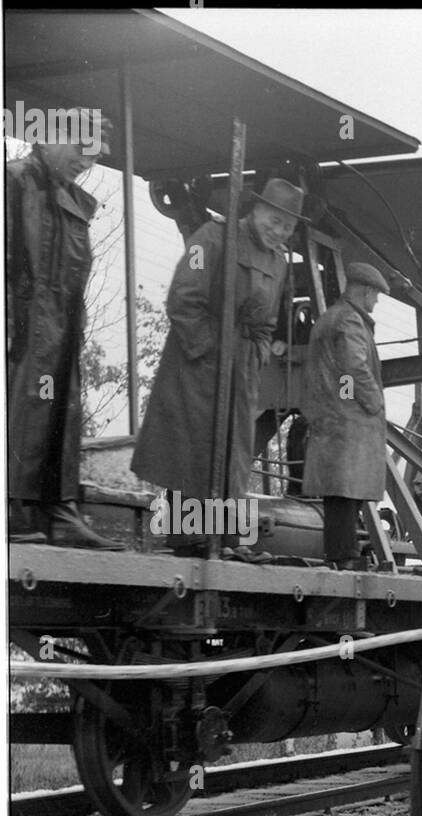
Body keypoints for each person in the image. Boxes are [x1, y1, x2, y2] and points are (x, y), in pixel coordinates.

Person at [131, 178, 303, 552]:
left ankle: (226, 539)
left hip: (241, 369)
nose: (278, 232)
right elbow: (182, 297)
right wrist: (208, 351)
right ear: (255, 210)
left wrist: (254, 355)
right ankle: (188, 540)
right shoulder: (212, 238)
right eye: (273, 221)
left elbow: (267, 323)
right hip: (196, 365)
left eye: (287, 227)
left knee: (235, 454)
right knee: (190, 450)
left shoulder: (279, 263)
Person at [7, 112, 123, 548]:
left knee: (59, 417)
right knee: (20, 415)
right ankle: (14, 514)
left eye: (92, 157)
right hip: (23, 325)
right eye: (80, 150)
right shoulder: (14, 181)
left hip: (60, 329)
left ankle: (59, 514)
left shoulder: (72, 200)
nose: (84, 162)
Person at [302, 263, 391, 568]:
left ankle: (344, 551)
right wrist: (373, 401)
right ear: (365, 291)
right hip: (347, 417)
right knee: (344, 487)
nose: (376, 302)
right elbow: (353, 367)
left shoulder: (331, 318)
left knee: (342, 487)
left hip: (333, 414)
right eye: (376, 295)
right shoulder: (350, 321)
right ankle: (343, 553)